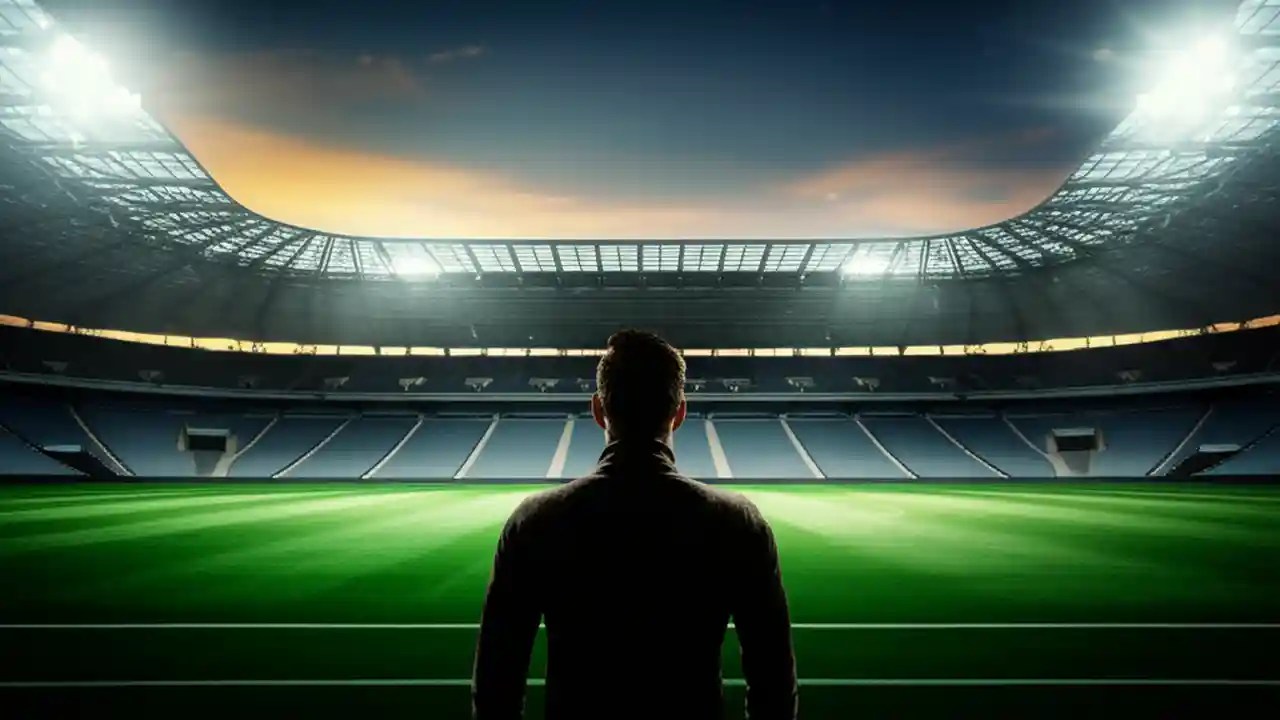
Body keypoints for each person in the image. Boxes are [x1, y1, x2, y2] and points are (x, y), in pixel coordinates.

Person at [472, 330, 798, 720]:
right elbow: (772, 678)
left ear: (597, 410)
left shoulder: (534, 521)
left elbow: (498, 679)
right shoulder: (738, 522)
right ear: (680, 412)